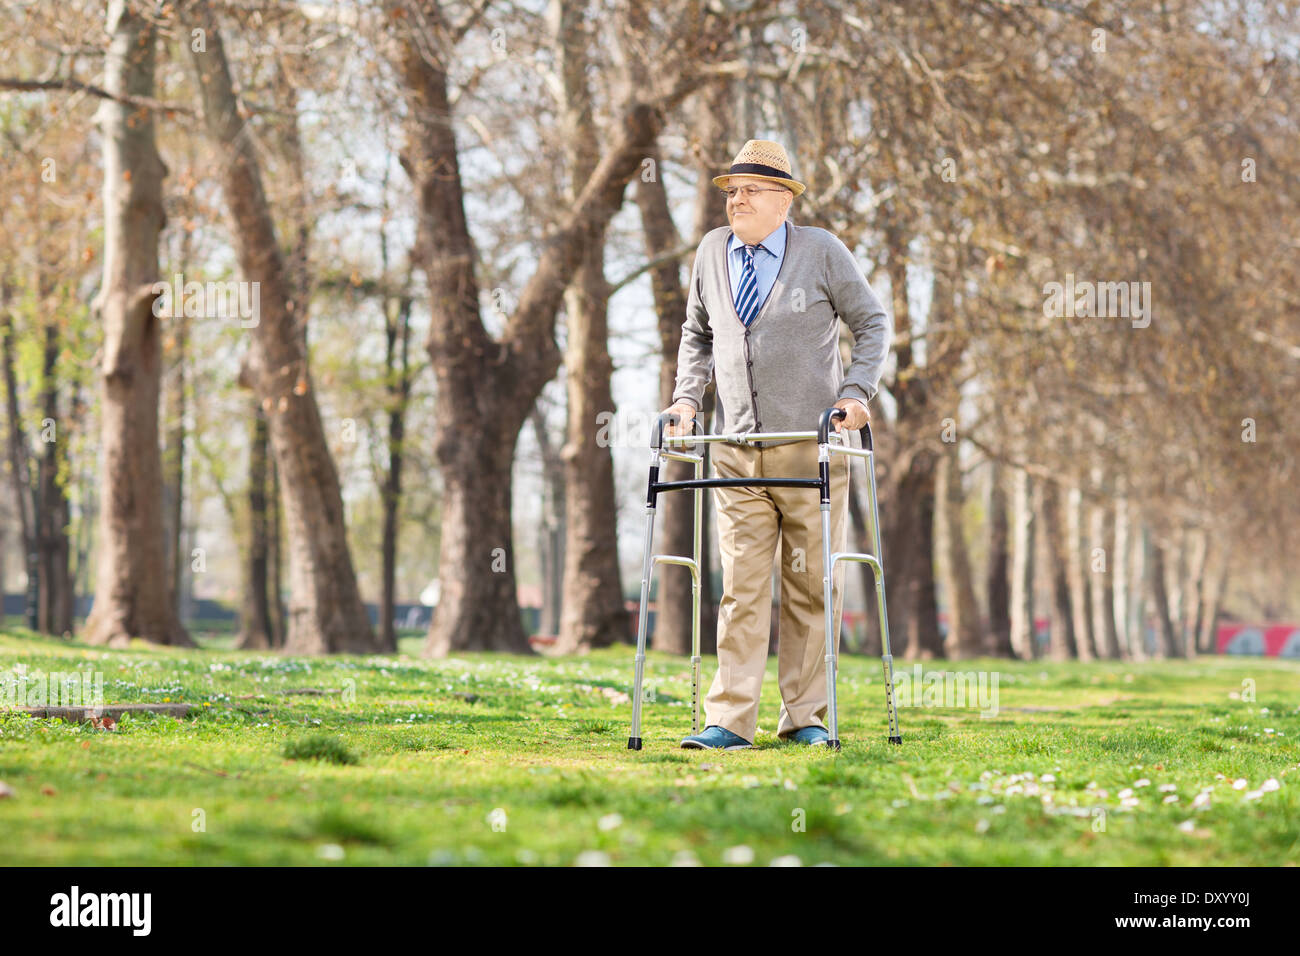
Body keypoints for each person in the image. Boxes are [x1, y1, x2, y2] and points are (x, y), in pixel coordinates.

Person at [663, 139, 891, 750]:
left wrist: (856, 391)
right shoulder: (712, 251)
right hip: (735, 448)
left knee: (810, 586)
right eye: (731, 191)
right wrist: (687, 399)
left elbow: (871, 322)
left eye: (750, 190)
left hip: (809, 447)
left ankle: (806, 718)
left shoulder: (819, 251)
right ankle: (729, 720)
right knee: (739, 587)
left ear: (784, 200)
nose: (736, 200)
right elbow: (697, 334)